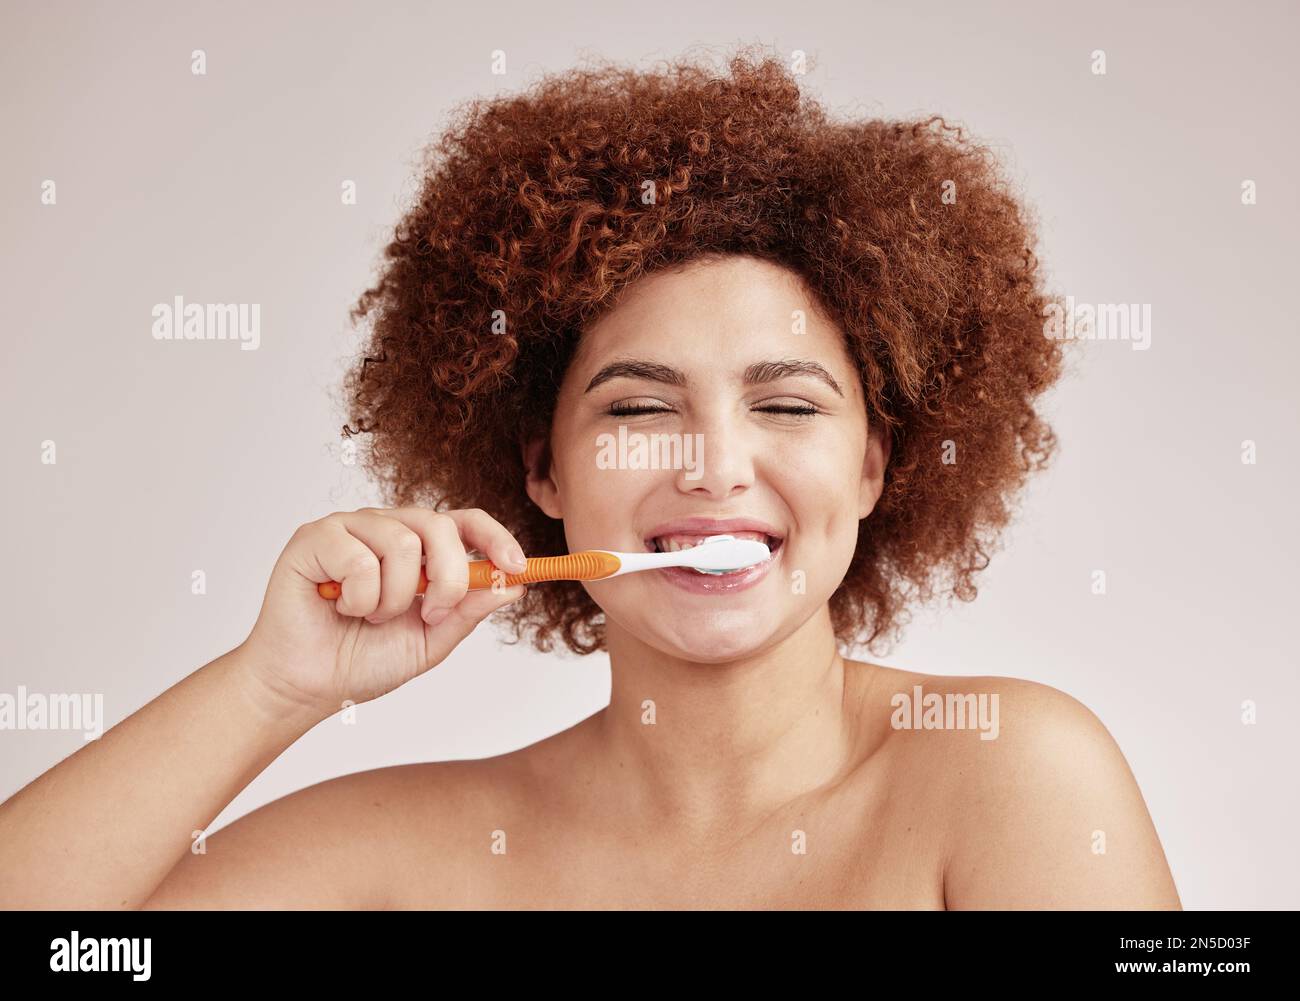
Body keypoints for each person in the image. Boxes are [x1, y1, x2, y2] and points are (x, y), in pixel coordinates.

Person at [0, 49, 1180, 909]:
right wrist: (270, 688)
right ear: (542, 470)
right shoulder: (411, 854)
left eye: (783, 403)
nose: (715, 464)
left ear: (874, 463)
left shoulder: (1005, 772)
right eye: (637, 406)